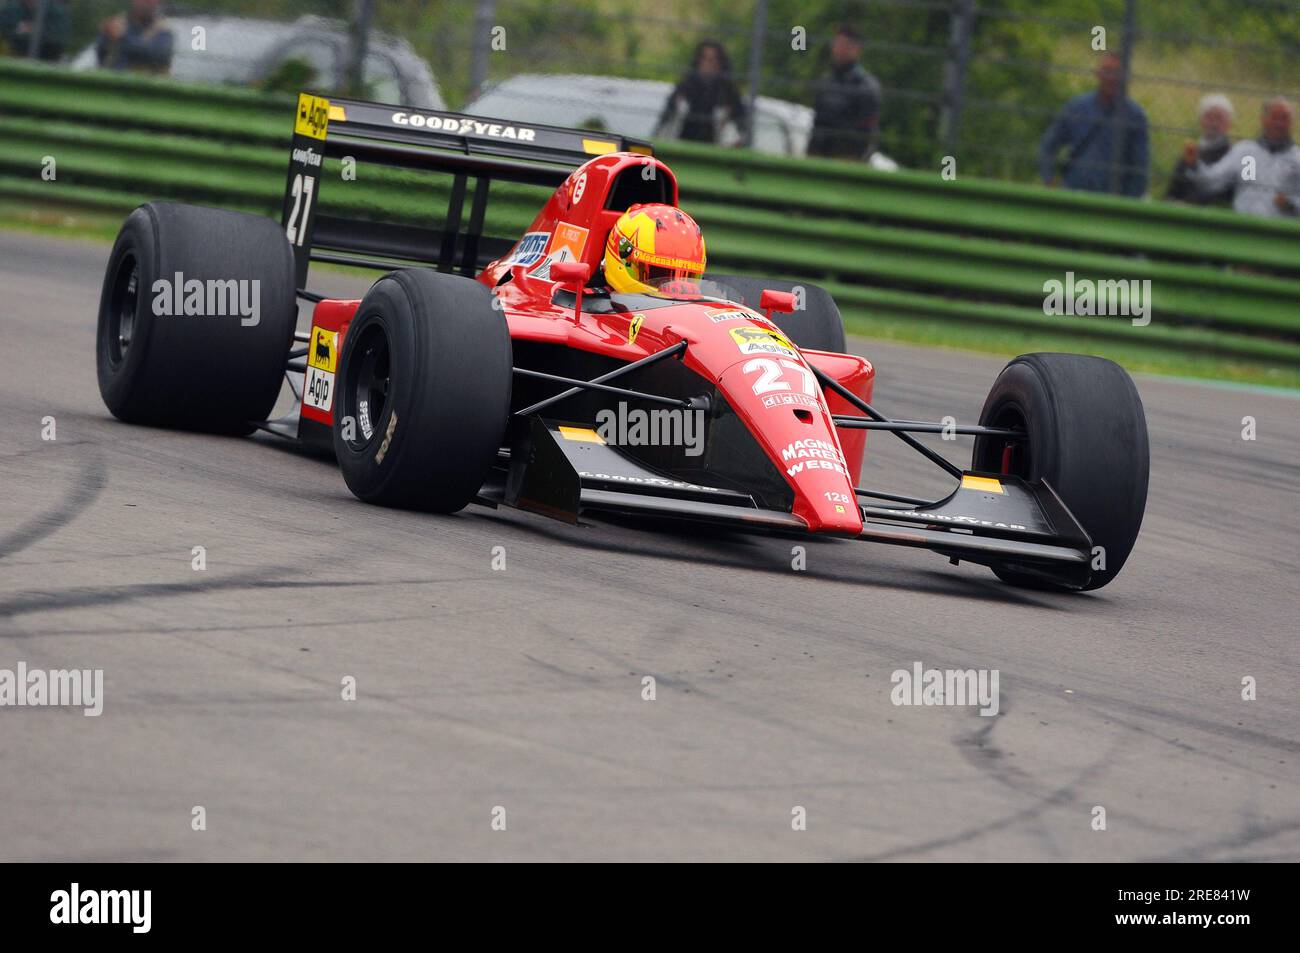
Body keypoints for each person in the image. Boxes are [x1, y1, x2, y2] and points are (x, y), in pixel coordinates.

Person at [1038, 52, 1149, 197]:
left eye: (1116, 73)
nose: (1111, 78)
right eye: (1107, 71)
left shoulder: (1134, 116)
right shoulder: (1077, 107)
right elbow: (1048, 145)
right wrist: (1049, 181)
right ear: (1098, 74)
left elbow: (1140, 169)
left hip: (1112, 201)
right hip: (1073, 195)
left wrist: (1127, 204)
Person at [1182, 97, 1300, 218]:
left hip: (1280, 231)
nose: (1279, 123)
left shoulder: (1297, 159)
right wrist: (1194, 164)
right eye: (1275, 117)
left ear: (1292, 123)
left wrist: (1291, 204)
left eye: (1285, 118)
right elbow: (1213, 181)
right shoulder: (1245, 151)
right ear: (1263, 119)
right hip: (1245, 227)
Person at [807, 25, 882, 160]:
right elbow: (817, 124)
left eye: (846, 45)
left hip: (848, 160)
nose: (839, 49)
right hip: (820, 160)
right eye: (837, 44)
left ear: (857, 49)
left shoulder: (866, 87)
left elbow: (868, 133)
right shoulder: (826, 82)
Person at [601, 204, 707, 295]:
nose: (676, 289)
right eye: (656, 276)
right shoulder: (586, 312)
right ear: (623, 256)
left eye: (687, 276)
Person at [655, 41, 746, 145]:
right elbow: (666, 119)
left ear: (720, 63)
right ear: (698, 60)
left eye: (713, 59)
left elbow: (741, 126)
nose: (708, 63)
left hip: (717, 149)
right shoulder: (685, 86)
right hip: (682, 143)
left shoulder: (728, 92)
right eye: (704, 58)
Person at [1166, 94, 1235, 205]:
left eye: (1219, 118)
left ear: (1228, 124)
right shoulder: (1190, 152)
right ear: (1201, 121)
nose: (1214, 123)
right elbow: (1173, 191)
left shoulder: (1233, 155)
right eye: (1209, 117)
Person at [96, 0, 173, 74]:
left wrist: (122, 38)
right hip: (113, 82)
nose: (147, 2)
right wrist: (106, 37)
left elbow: (161, 55)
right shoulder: (115, 23)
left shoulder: (164, 30)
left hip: (147, 85)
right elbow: (101, 54)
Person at [0, 0, 70, 61]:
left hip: (47, 61)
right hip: (11, 57)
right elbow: (6, 31)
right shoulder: (11, 9)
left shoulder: (56, 11)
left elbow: (58, 39)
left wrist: (32, 31)